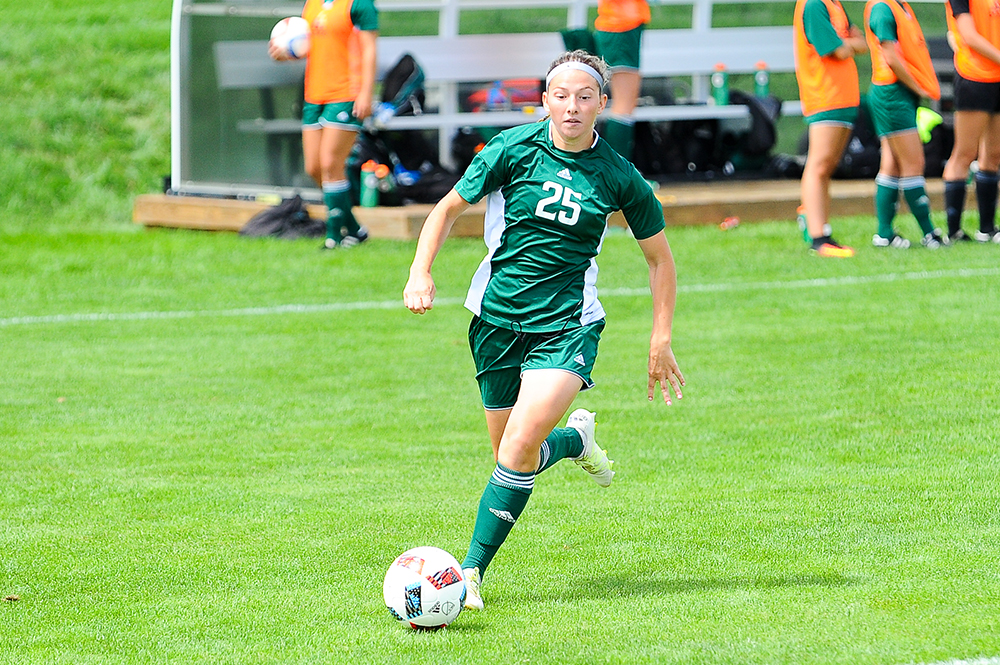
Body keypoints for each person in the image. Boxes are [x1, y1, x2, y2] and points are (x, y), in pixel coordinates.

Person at [403, 50, 684, 611]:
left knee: (518, 448)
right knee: (512, 456)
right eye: (562, 95)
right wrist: (420, 271)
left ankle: (469, 574)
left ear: (603, 103)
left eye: (585, 96)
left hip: (568, 325)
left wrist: (660, 338)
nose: (573, 106)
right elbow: (446, 209)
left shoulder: (620, 176)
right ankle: (575, 440)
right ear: (545, 100)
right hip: (496, 320)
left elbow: (660, 261)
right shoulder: (510, 149)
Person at [269, 0, 378, 250]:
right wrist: (287, 52)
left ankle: (334, 236)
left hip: (345, 93)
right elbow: (312, 43)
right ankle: (354, 229)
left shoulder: (360, 4)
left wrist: (365, 93)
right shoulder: (313, 3)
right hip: (315, 94)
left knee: (331, 164)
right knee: (315, 168)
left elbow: (369, 49)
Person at [863, 0, 948, 248]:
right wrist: (917, 87)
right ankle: (929, 233)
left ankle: (885, 234)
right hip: (892, 93)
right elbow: (889, 56)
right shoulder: (882, 8)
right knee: (914, 163)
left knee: (891, 164)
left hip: (897, 93)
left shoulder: (899, 6)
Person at [793, 0, 869, 257]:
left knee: (828, 167)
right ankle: (818, 237)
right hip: (825, 95)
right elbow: (834, 49)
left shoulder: (833, 3)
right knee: (819, 165)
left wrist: (848, 45)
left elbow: (860, 43)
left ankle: (821, 227)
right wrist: (847, 44)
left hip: (844, 97)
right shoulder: (814, 4)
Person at [941, 0, 1000, 243]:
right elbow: (968, 35)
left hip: (997, 76)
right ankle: (954, 231)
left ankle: (987, 228)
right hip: (975, 77)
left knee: (993, 155)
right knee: (964, 153)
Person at [593, 0, 651, 160]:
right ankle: (617, 173)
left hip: (625, 25)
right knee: (623, 105)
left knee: (627, 104)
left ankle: (619, 172)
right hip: (619, 26)